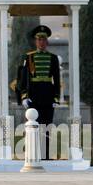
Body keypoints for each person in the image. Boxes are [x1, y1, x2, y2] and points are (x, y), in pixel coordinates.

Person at [16, 24, 61, 156]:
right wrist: (24, 96)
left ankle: (46, 154)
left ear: (47, 41)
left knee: (46, 125)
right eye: (39, 40)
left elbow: (56, 79)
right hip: (33, 93)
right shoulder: (29, 57)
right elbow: (23, 78)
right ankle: (31, 153)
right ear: (36, 41)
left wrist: (56, 97)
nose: (42, 42)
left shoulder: (53, 58)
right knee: (32, 125)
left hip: (47, 93)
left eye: (44, 40)